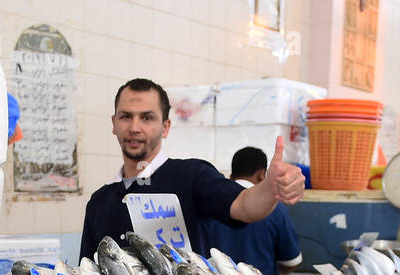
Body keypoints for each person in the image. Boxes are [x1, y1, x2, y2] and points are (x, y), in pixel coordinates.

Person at [79, 78, 305, 261]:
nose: (135, 127)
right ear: (114, 124)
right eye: (126, 117)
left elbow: (244, 206)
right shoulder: (99, 202)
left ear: (165, 127)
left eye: (147, 118)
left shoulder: (191, 176)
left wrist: (271, 187)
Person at [205, 147, 303, 275]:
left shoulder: (210, 204)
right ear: (262, 175)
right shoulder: (275, 209)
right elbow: (291, 262)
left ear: (231, 175)